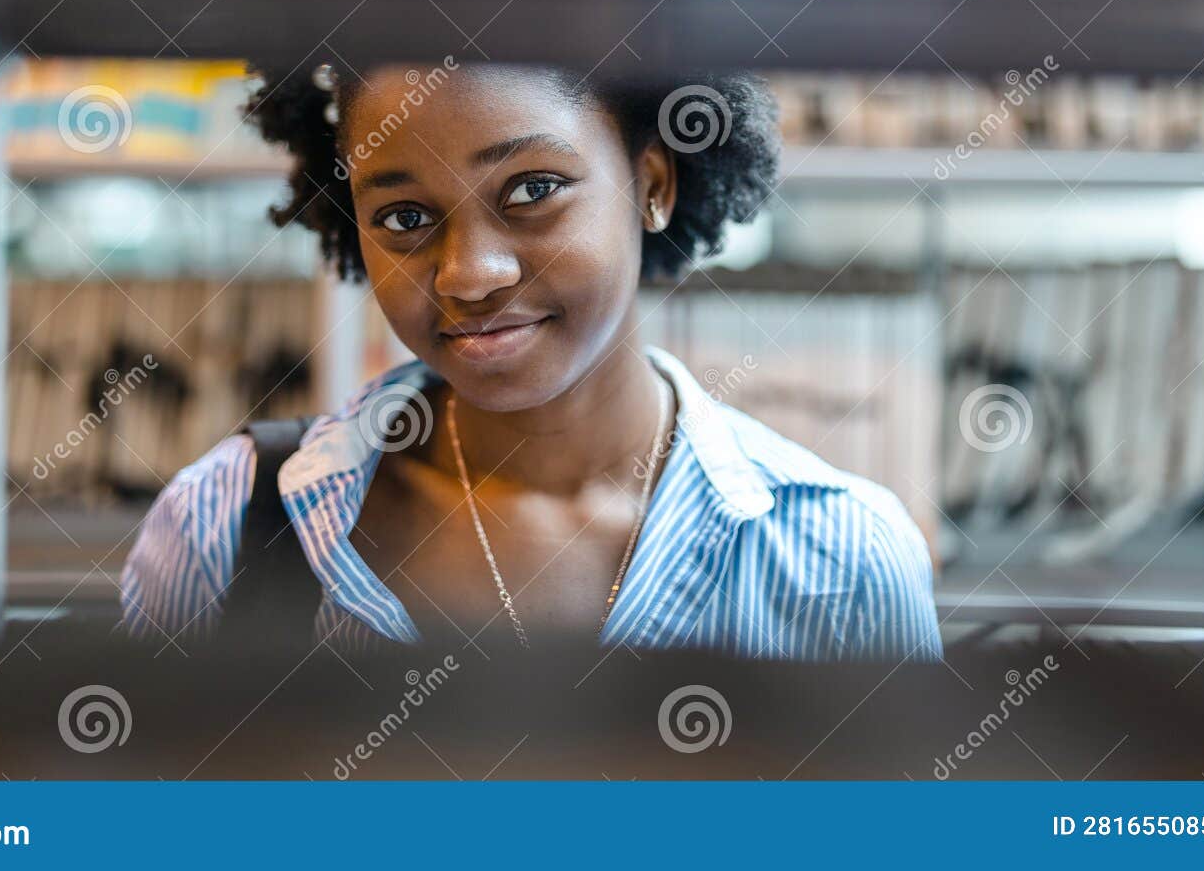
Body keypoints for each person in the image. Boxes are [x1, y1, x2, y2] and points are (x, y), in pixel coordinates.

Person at [119, 61, 942, 661]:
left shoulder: (842, 560)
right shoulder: (225, 525)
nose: (469, 273)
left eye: (532, 189)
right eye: (404, 214)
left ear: (652, 182)